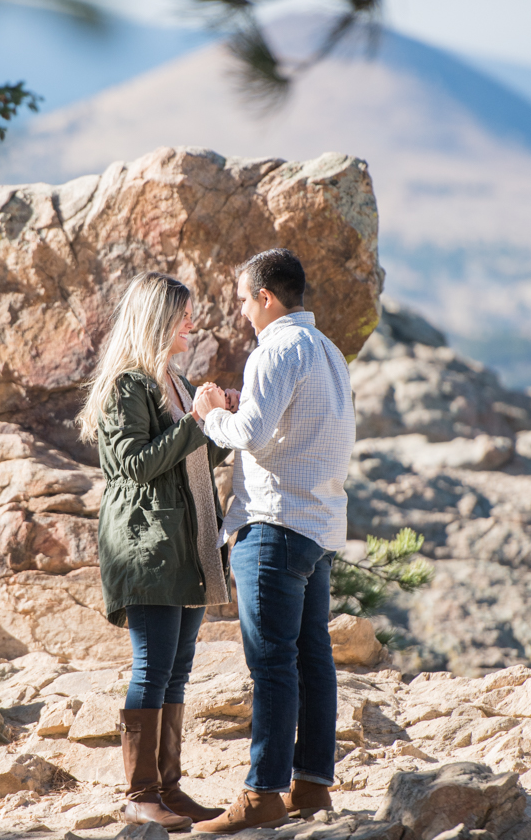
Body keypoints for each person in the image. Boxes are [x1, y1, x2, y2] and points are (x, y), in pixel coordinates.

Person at [188, 248, 356, 833]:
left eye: (242, 300)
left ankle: (261, 795)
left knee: (271, 664)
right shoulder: (329, 352)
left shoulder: (274, 350)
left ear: (266, 297)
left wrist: (211, 412)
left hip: (273, 523)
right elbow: (298, 431)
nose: (241, 312)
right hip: (317, 526)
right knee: (312, 658)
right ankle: (311, 786)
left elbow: (253, 436)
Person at [79, 271, 234, 833]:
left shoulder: (174, 379)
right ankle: (140, 794)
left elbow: (188, 460)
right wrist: (195, 420)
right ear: (156, 318)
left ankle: (167, 789)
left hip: (184, 546)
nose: (191, 323)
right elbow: (136, 465)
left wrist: (218, 421)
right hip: (146, 545)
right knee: (152, 667)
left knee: (176, 671)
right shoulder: (128, 384)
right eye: (182, 314)